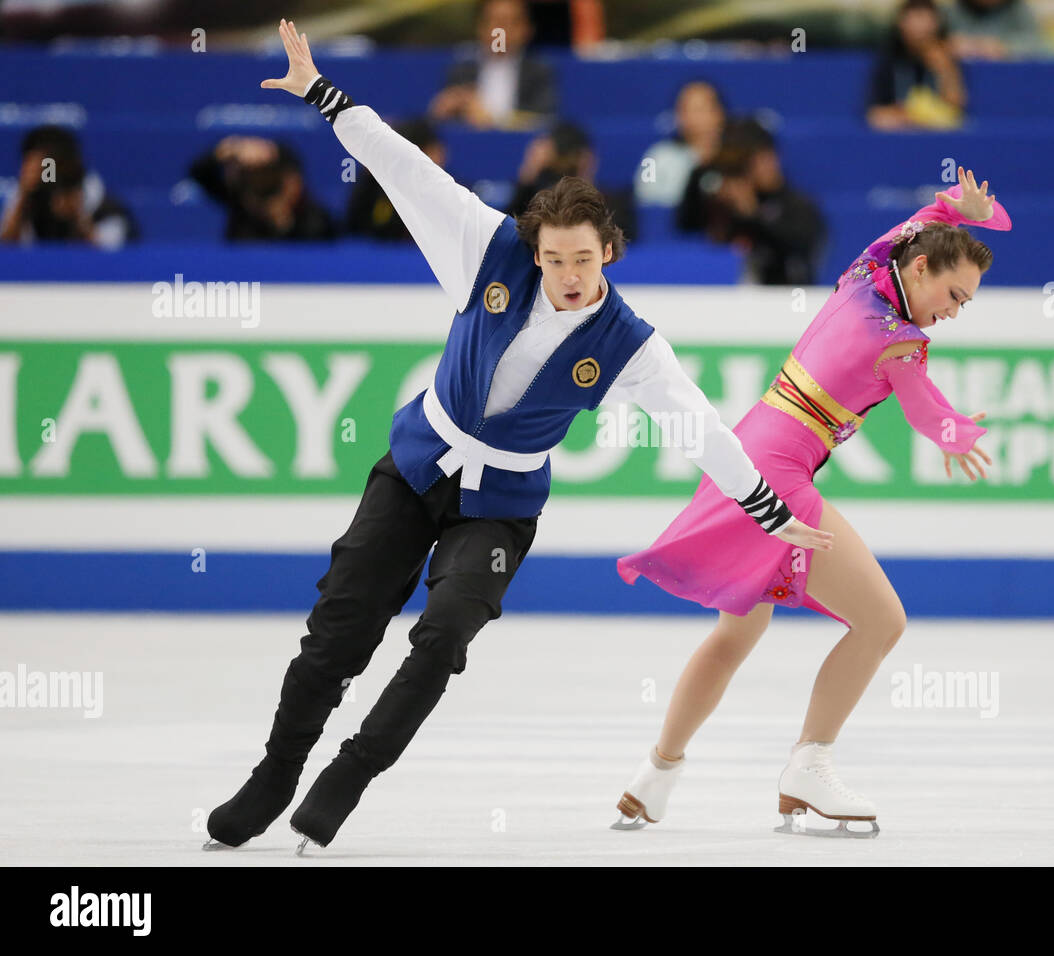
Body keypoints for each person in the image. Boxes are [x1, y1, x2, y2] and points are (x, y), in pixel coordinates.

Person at [203, 18, 831, 853]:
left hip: (500, 508)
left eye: (586, 260)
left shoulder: (630, 343)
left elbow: (699, 427)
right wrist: (324, 94)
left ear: (609, 251)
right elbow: (400, 165)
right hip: (417, 466)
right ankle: (274, 774)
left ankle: (347, 776)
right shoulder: (485, 245)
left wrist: (764, 504)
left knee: (444, 635)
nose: (571, 277)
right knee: (337, 636)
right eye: (556, 260)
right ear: (534, 251)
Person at [614, 166, 1011, 837]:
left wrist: (954, 208)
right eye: (953, 294)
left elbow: (912, 231)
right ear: (918, 270)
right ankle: (810, 763)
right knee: (883, 620)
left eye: (965, 302)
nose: (954, 310)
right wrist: (960, 431)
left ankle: (655, 776)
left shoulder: (867, 271)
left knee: (738, 631)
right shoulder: (901, 342)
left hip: (745, 454)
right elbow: (925, 413)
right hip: (779, 474)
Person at [677, 117, 825, 285]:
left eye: (762, 157)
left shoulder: (797, 204)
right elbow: (685, 226)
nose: (758, 167)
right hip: (719, 296)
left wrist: (753, 214)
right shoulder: (724, 200)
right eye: (747, 162)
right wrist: (704, 170)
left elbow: (799, 249)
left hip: (782, 296)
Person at [0, 125, 135, 248]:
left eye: (53, 165)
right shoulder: (26, 197)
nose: (49, 174)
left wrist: (77, 217)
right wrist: (24, 196)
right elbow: (7, 253)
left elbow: (109, 259)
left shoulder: (106, 207)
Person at [429, 0, 557, 129]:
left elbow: (543, 119)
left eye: (510, 23)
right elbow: (441, 121)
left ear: (526, 29)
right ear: (480, 27)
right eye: (496, 22)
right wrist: (445, 108)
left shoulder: (539, 72)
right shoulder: (462, 70)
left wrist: (492, 118)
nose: (502, 31)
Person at [505, 120, 637, 241]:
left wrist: (584, 174)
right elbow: (507, 233)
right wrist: (529, 174)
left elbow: (621, 246)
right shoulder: (535, 205)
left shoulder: (614, 205)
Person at [188, 136, 335, 241]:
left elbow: (329, 252)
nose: (263, 183)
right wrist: (227, 149)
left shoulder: (314, 219)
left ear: (294, 182)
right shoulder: (241, 208)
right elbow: (198, 173)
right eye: (255, 176)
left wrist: (286, 225)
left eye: (271, 175)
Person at [867, 0, 966, 131]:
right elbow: (875, 114)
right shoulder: (888, 60)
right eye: (913, 19)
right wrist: (908, 117)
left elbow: (957, 109)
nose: (919, 28)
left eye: (925, 19)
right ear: (900, 24)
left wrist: (946, 70)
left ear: (937, 24)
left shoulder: (947, 59)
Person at [345, 120, 448, 241]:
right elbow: (355, 229)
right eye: (431, 151)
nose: (440, 155)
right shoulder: (377, 189)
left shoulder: (452, 192)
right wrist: (370, 178)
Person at [635, 80, 727, 208]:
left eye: (699, 109)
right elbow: (645, 197)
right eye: (683, 109)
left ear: (719, 113)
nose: (689, 116)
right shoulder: (656, 157)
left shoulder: (737, 157)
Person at [945, 0, 1047, 60]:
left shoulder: (1017, 8)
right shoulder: (952, 11)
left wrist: (1005, 48)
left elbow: (1039, 45)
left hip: (1007, 79)